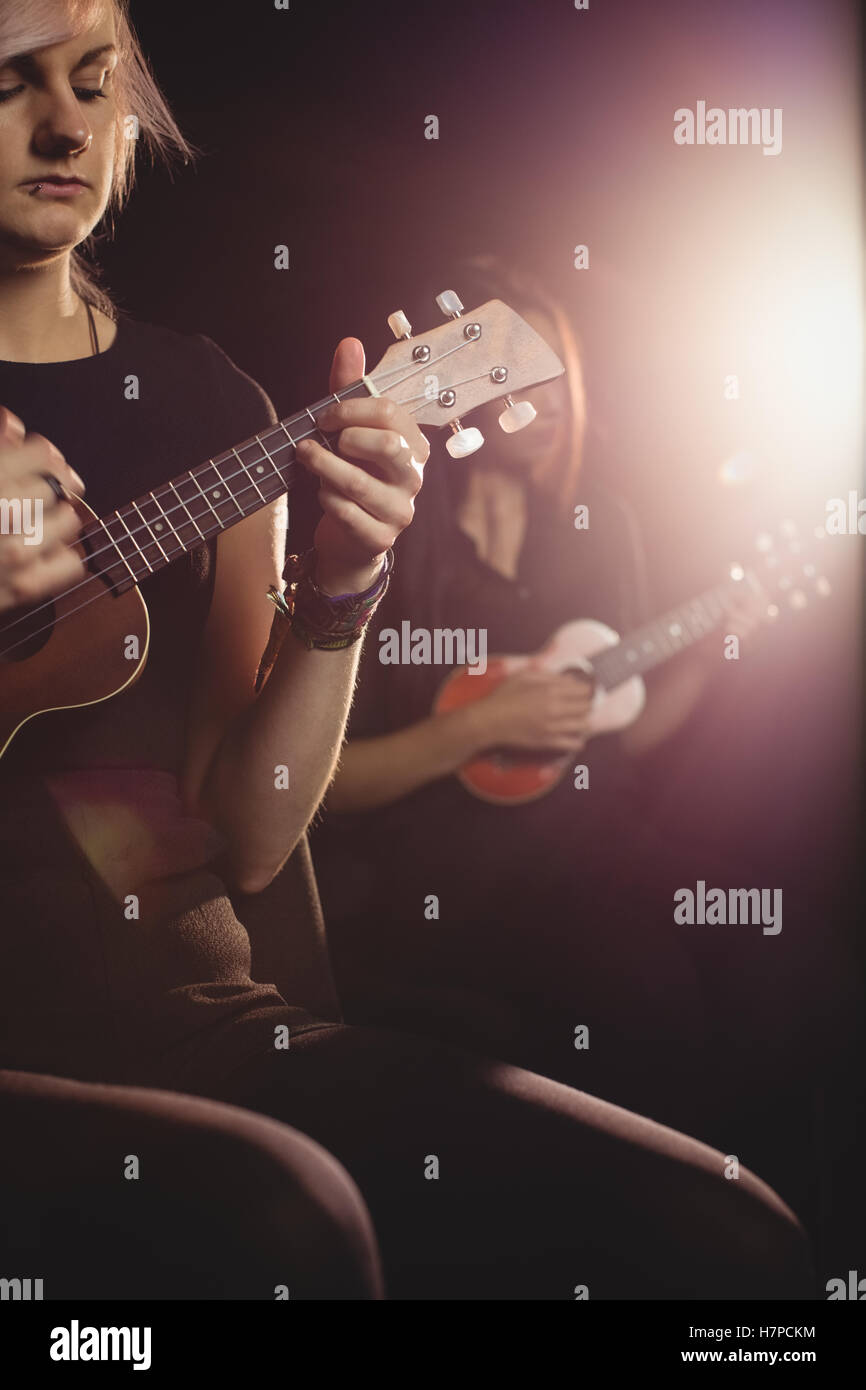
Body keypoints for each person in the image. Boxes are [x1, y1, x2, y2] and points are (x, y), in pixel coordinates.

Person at [0, 0, 813, 1300]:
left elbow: (251, 837)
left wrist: (341, 588)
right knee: (286, 1226)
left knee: (734, 1242)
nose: (63, 123)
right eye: (8, 81)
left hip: (197, 1022)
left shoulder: (217, 410)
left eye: (96, 83)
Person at [310, 258, 768, 1133]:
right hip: (447, 876)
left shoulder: (602, 528)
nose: (548, 389)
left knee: (782, 966)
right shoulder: (381, 539)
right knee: (649, 997)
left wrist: (712, 655)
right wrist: (481, 726)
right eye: (521, 363)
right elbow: (324, 782)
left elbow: (619, 737)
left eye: (560, 366)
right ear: (463, 379)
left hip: (598, 842)